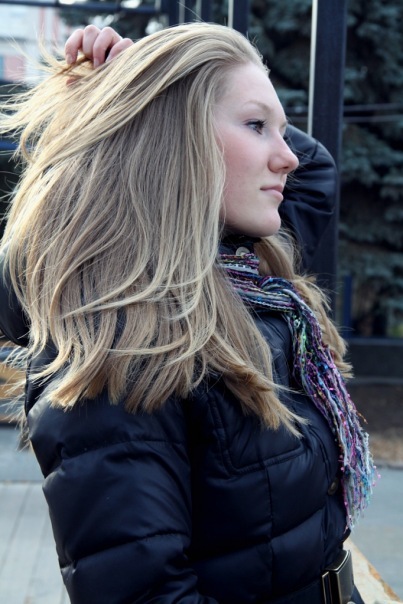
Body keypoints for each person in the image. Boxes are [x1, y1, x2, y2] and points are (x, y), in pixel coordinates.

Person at [0, 22, 374, 604]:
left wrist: (152, 81)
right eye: (256, 126)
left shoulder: (237, 272)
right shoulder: (124, 336)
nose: (288, 158)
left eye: (281, 131)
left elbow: (316, 171)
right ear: (177, 137)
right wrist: (149, 94)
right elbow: (146, 592)